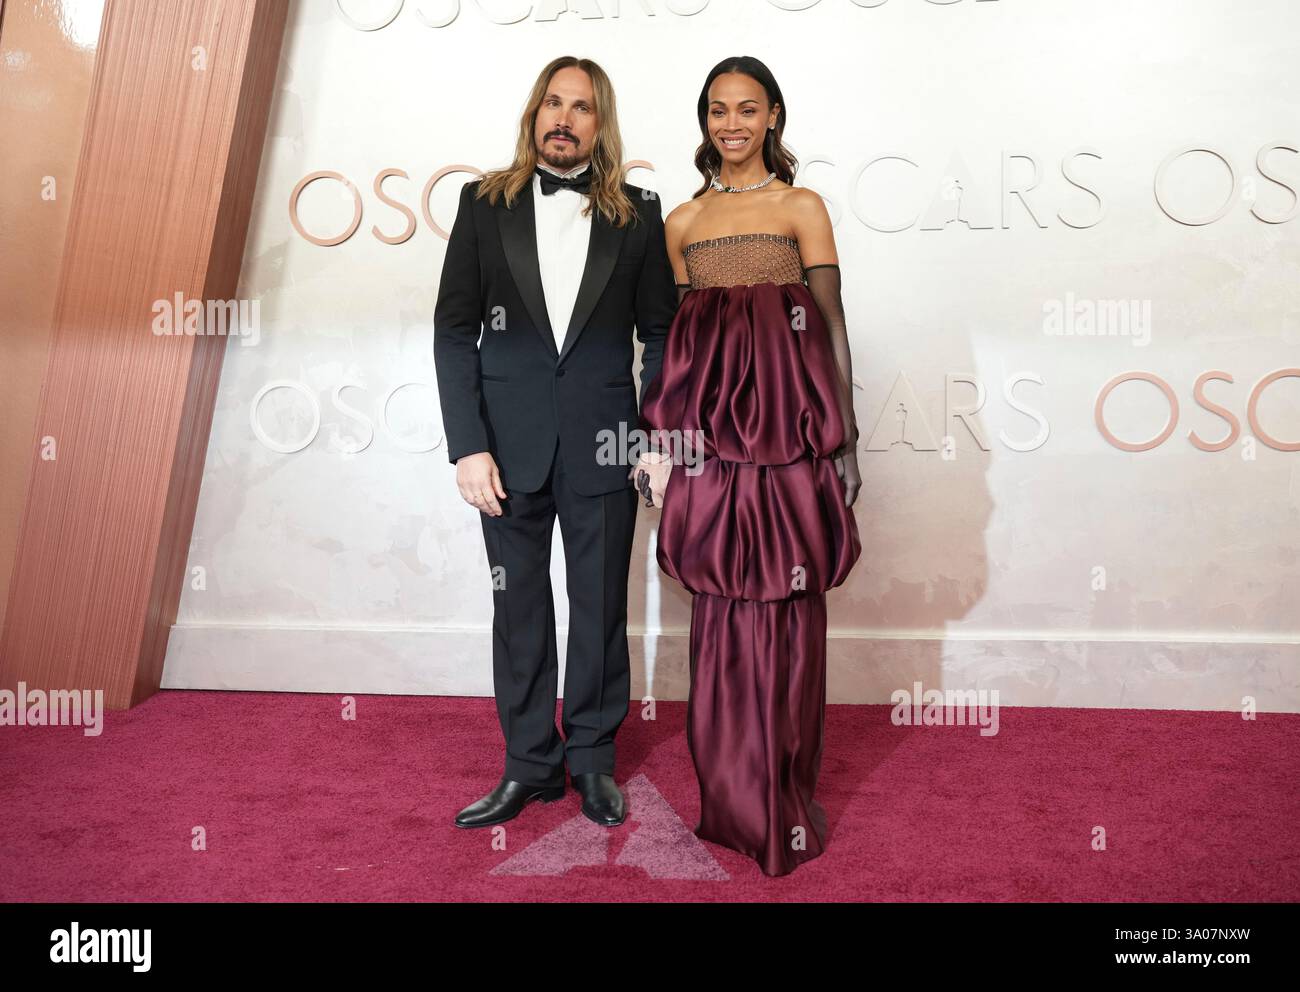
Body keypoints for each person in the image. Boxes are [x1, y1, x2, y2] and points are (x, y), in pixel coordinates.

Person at [434, 57, 677, 830]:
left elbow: (662, 331)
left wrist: (651, 433)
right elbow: (453, 328)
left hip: (607, 443)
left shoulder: (639, 212)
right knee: (521, 608)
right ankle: (529, 765)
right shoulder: (483, 204)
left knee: (600, 606)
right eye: (552, 102)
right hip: (504, 448)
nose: (562, 118)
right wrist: (468, 445)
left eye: (580, 107)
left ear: (600, 124)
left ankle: (595, 762)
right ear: (534, 112)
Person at [635, 55, 863, 876]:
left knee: (790, 614)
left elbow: (832, 323)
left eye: (748, 109)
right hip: (711, 454)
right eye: (718, 110)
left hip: (792, 447)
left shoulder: (802, 206)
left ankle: (784, 798)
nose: (732, 123)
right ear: (705, 121)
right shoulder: (682, 224)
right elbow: (669, 352)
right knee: (722, 617)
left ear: (774, 117)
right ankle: (731, 800)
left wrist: (847, 436)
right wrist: (657, 444)